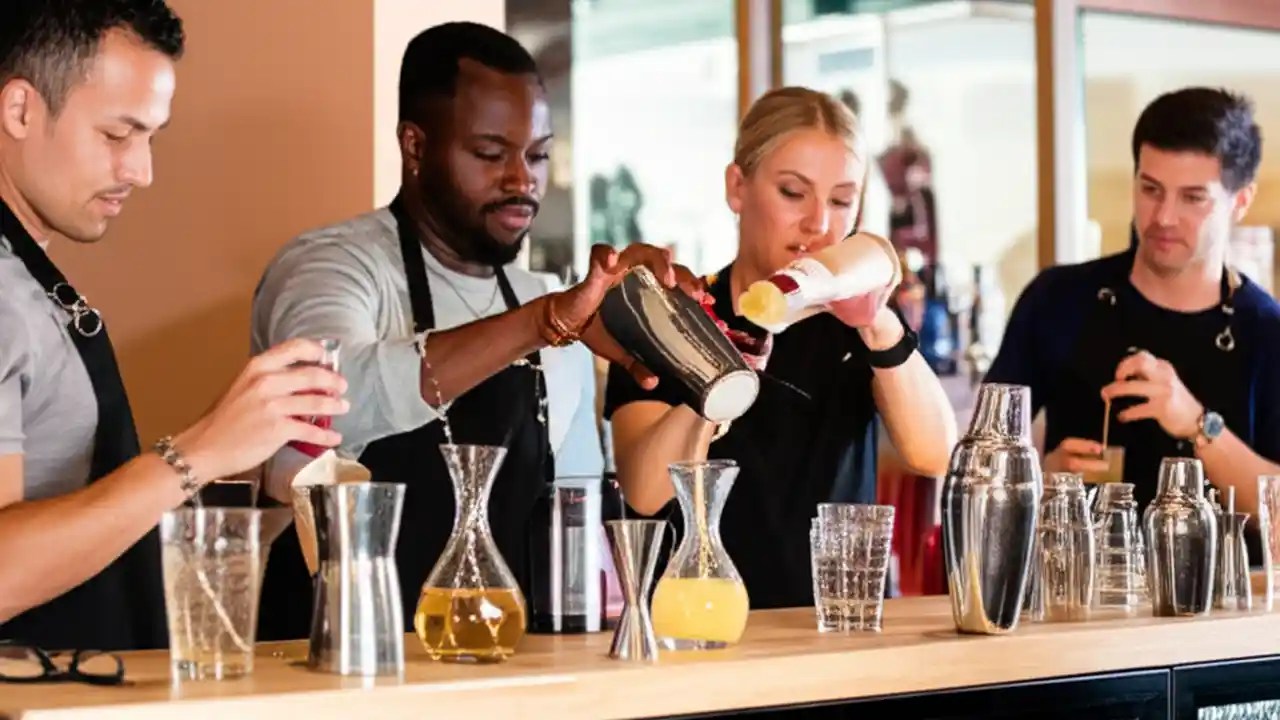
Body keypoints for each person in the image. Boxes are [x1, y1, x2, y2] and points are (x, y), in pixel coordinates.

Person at [251, 22, 678, 639]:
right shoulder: (334, 266)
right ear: (415, 146)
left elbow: (580, 521)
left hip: (505, 663)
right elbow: (327, 407)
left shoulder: (546, 301)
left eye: (536, 155)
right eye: (489, 154)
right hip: (340, 660)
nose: (522, 181)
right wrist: (540, 325)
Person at [0, 0, 347, 651]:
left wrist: (242, 449)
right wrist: (199, 451)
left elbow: (86, 517)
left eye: (150, 137)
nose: (142, 170)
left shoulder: (28, 278)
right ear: (20, 109)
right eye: (116, 135)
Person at [604, 87, 958, 609]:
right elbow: (644, 491)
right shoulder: (675, 312)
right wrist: (721, 376)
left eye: (841, 201)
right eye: (793, 193)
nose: (819, 224)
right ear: (737, 187)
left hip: (840, 627)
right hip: (703, 628)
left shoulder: (856, 327)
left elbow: (936, 455)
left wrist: (877, 322)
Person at [985, 87, 1280, 521]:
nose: (1163, 216)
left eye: (1193, 198)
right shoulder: (1057, 299)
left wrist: (1198, 424)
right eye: (1151, 189)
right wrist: (1039, 481)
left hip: (1223, 588)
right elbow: (981, 465)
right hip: (1077, 584)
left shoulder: (1266, 331)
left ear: (1240, 202)